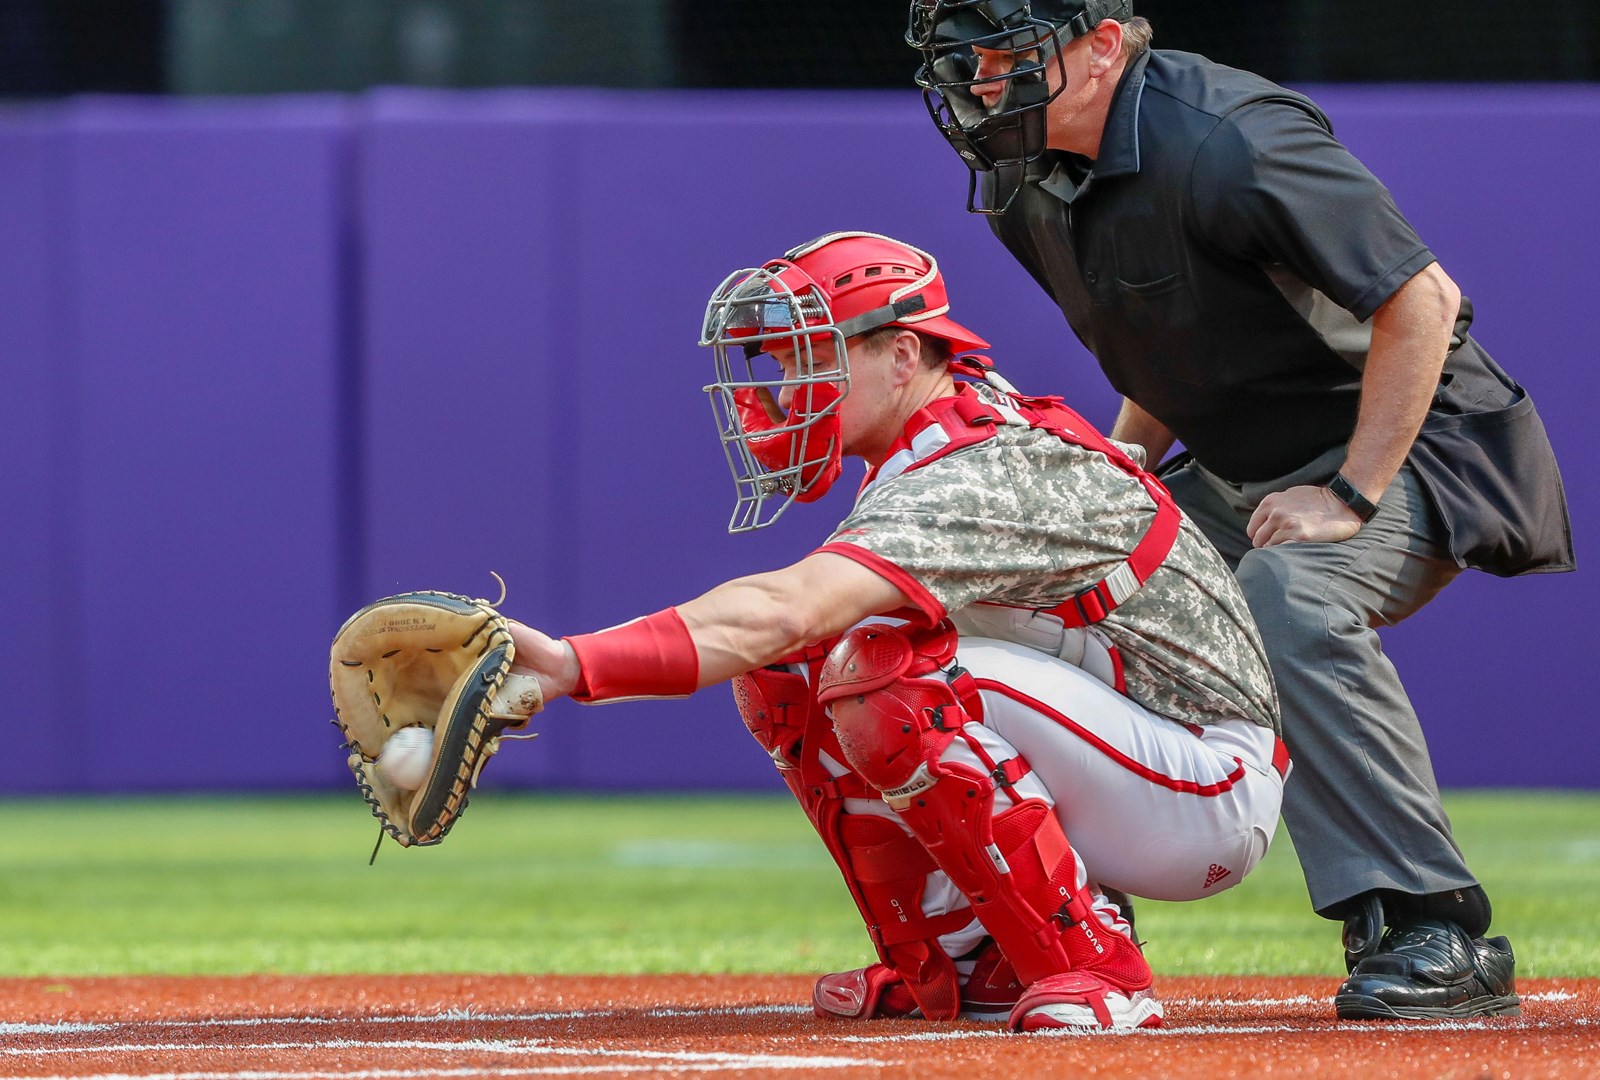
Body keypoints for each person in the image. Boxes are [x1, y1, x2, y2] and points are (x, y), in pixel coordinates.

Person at [904, 0, 1574, 1021]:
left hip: (1414, 441)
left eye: (1006, 56)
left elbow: (1421, 302)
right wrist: (1116, 472)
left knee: (1287, 598)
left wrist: (1350, 494)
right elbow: (1171, 339)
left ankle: (1433, 926)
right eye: (969, 61)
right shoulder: (1019, 183)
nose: (982, 83)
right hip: (1238, 458)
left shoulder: (1230, 139)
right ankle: (1060, 912)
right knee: (1031, 589)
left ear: (1102, 45)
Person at [501, 231, 1286, 1032]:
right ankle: (954, 964)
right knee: (794, 669)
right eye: (779, 364)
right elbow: (789, 634)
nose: (785, 390)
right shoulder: (925, 445)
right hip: (1124, 751)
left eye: (809, 358)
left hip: (1206, 784)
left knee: (884, 675)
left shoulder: (979, 464)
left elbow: (785, 606)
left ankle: (1098, 964)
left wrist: (572, 665)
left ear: (903, 355)